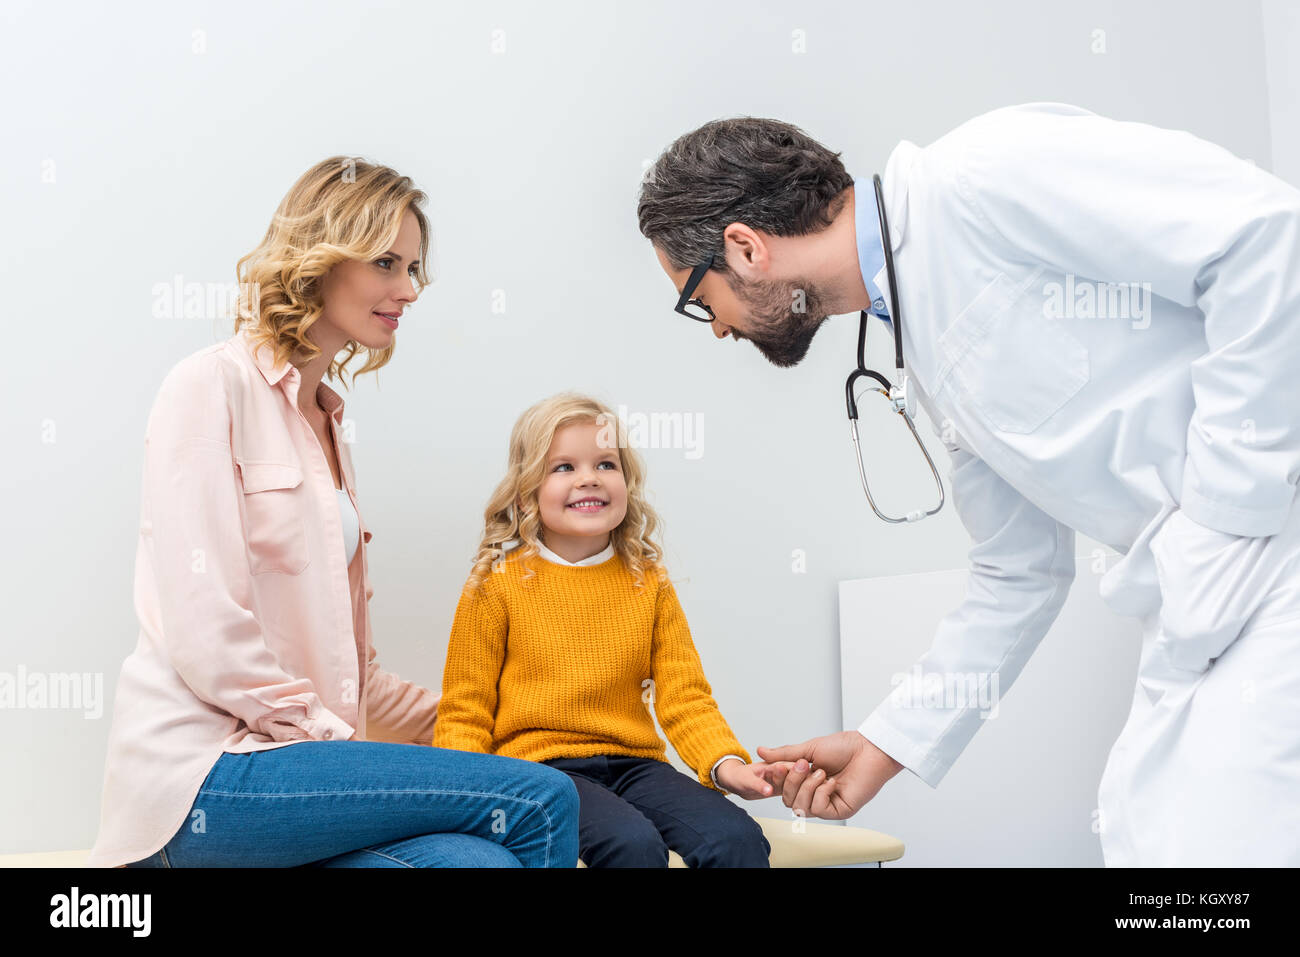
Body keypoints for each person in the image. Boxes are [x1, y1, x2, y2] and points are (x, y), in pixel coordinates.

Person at [636, 102, 1300, 866]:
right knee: (1147, 836)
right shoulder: (916, 324)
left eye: (696, 298)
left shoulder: (986, 172)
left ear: (745, 248)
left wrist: (1224, 522)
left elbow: (1269, 243)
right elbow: (1019, 572)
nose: (716, 327)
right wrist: (886, 740)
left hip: (1271, 547)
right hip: (1204, 596)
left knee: (1225, 846)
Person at [88, 157, 578, 868]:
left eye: (413, 269)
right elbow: (205, 631)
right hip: (207, 779)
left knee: (483, 862)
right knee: (543, 799)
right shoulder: (208, 387)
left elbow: (353, 675)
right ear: (322, 255)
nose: (406, 289)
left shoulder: (328, 425)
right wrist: (328, 741)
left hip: (301, 780)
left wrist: (492, 725)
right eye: (386, 262)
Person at [432, 392, 774, 867]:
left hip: (636, 765)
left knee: (735, 837)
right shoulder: (496, 582)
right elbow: (465, 709)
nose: (588, 478)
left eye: (606, 464)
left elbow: (685, 696)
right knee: (631, 844)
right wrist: (467, 797)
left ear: (627, 482)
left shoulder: (648, 581)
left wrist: (727, 764)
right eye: (563, 467)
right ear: (527, 490)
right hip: (540, 772)